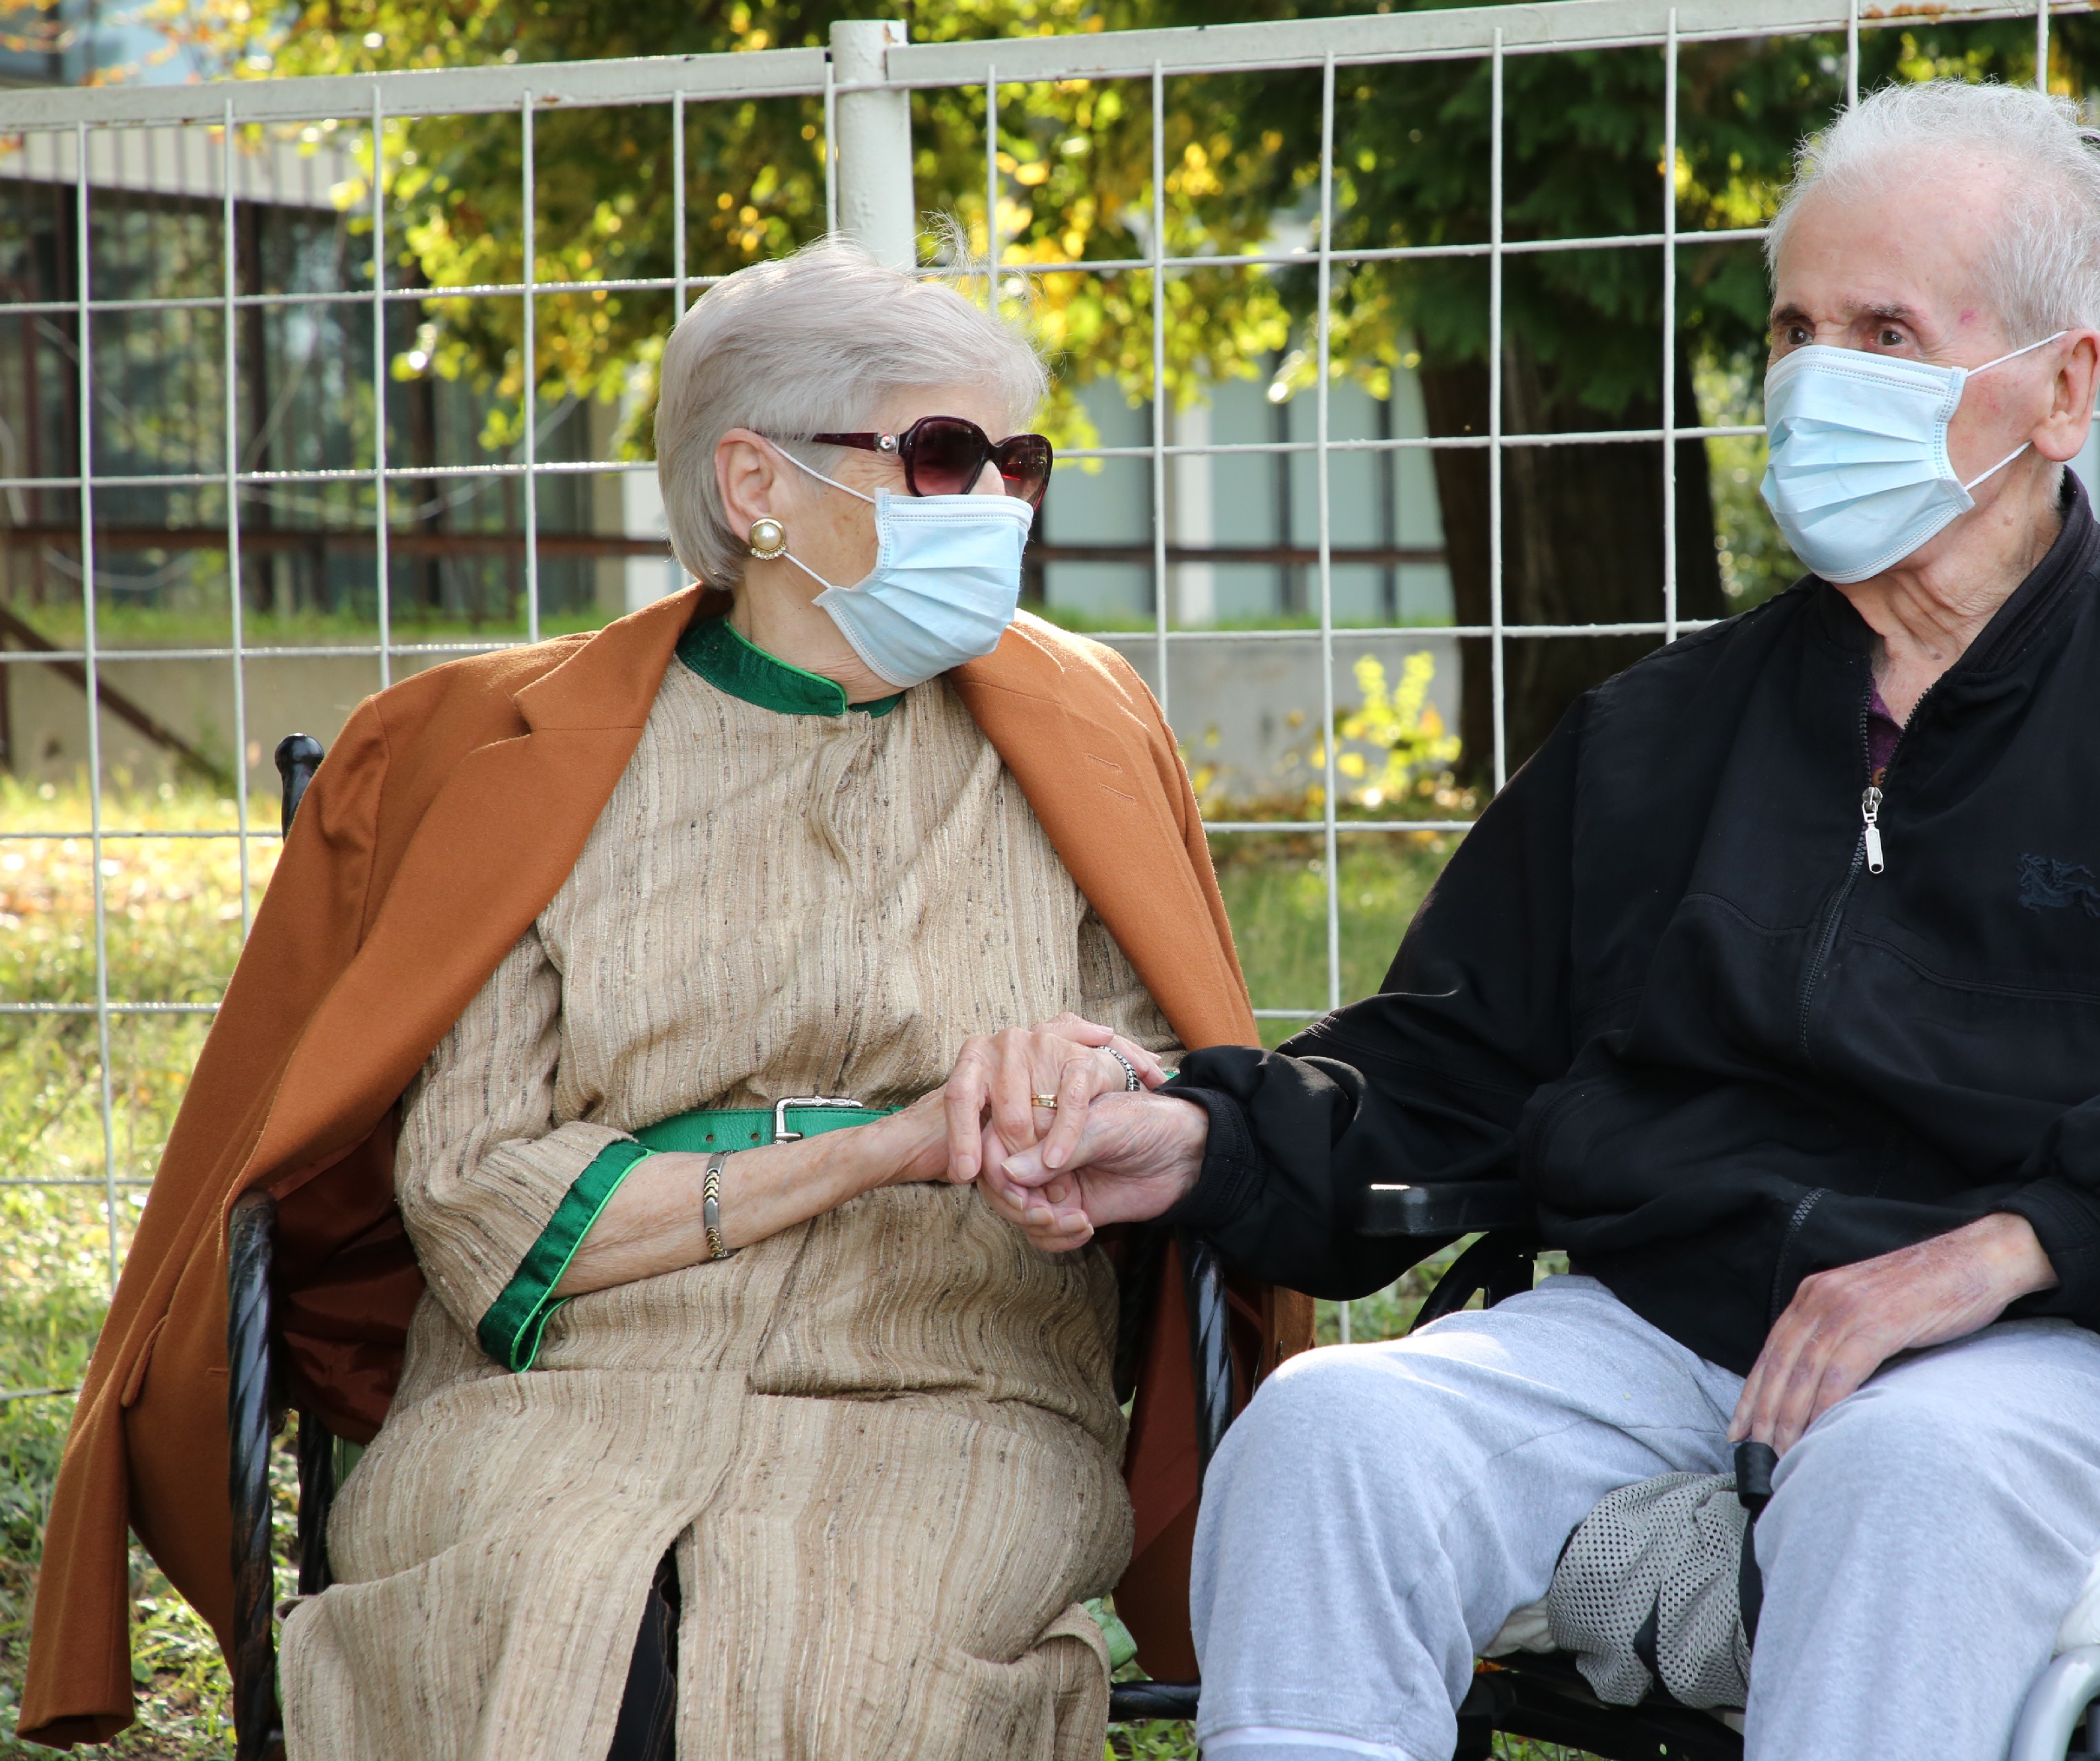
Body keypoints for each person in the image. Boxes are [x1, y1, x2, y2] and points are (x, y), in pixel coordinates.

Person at [957, 81, 2100, 1761]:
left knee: (1900, 1471)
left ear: (2060, 388)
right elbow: (1444, 1064)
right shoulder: (1659, 731)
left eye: (1882, 330)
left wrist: (1998, 1247)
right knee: (1334, 1434)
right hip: (1670, 1324)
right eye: (1790, 325)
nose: (1811, 374)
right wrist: (1191, 1137)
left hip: (2083, 1337)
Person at [19, 238, 1308, 1759]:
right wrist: (882, 1144)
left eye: (1016, 462)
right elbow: (478, 1194)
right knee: (539, 1625)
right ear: (756, 486)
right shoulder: (527, 758)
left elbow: (1166, 1087)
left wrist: (1079, 1108)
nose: (1001, 505)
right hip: (554, 1388)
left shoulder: (1077, 740)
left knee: (858, 1670)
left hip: (952, 1380)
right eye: (946, 456)